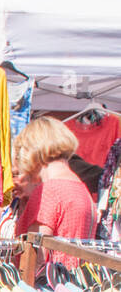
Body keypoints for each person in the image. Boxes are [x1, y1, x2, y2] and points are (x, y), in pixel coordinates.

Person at [15, 116, 97, 271]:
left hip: (47, 288)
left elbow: (34, 259)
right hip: (72, 285)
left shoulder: (50, 191)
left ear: (32, 150)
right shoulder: (81, 188)